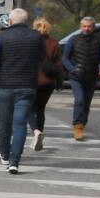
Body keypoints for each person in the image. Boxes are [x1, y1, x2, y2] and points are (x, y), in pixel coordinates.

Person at [0, 7, 45, 174]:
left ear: (10, 21)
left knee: (5, 122)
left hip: (4, 86)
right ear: (26, 21)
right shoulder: (36, 37)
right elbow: (41, 59)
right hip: (27, 86)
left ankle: (4, 153)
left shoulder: (1, 37)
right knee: (20, 124)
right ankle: (14, 161)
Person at [62, 15, 100, 141]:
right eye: (84, 26)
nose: (87, 29)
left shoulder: (98, 41)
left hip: (92, 76)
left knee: (86, 103)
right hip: (76, 77)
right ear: (81, 27)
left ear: (93, 28)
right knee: (80, 100)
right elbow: (65, 58)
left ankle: (82, 124)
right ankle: (77, 126)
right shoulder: (73, 39)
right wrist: (72, 69)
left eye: (89, 27)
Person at [31, 16, 65, 151]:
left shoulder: (32, 42)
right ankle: (40, 131)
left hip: (32, 80)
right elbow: (59, 65)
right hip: (48, 81)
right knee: (40, 110)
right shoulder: (54, 43)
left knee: (29, 108)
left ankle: (35, 132)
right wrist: (59, 83)